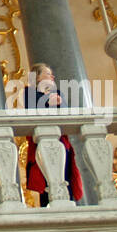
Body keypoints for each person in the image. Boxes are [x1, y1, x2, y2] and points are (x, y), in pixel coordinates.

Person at [24, 64, 84, 207]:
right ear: (37, 77)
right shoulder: (29, 92)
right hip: (42, 144)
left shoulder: (57, 93)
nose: (52, 76)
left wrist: (57, 103)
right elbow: (31, 113)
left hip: (62, 142)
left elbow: (67, 115)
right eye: (47, 73)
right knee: (47, 184)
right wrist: (47, 103)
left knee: (66, 179)